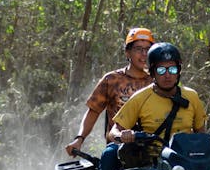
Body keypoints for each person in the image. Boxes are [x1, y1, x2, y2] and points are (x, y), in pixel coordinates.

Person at [102, 42, 207, 170]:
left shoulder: (191, 96)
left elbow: (201, 135)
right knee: (110, 153)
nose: (167, 75)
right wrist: (122, 135)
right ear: (152, 72)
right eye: (161, 70)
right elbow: (113, 132)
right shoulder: (140, 98)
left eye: (172, 69)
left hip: (187, 160)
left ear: (179, 71)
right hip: (151, 164)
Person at [64, 27, 155, 157]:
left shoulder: (157, 81)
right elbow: (93, 111)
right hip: (118, 147)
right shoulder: (112, 80)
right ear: (127, 52)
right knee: (108, 156)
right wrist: (79, 139)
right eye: (138, 49)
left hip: (152, 146)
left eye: (147, 49)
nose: (144, 54)